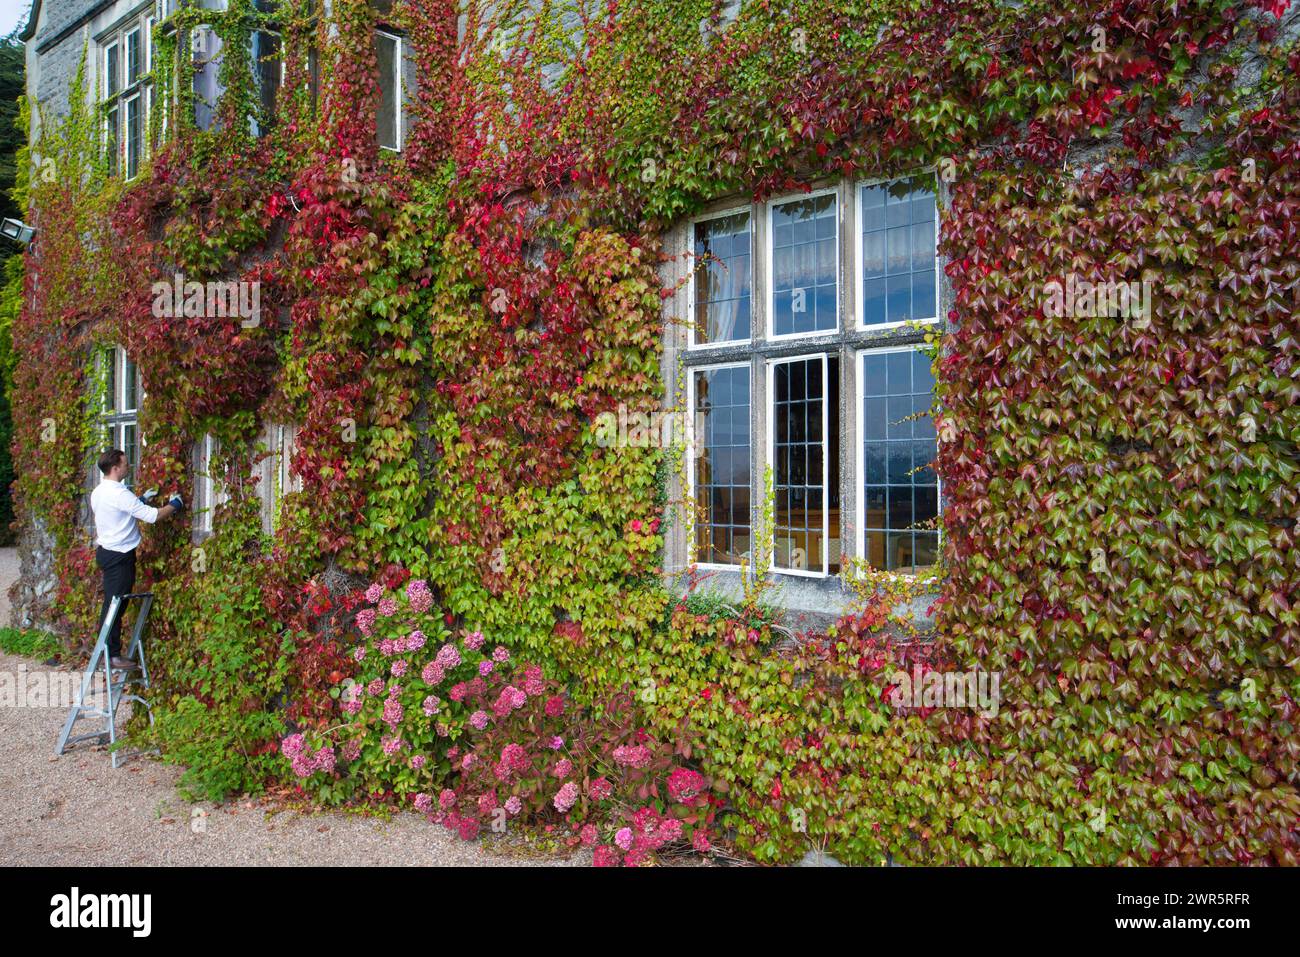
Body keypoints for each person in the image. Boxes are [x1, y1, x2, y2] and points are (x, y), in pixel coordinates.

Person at [89, 449, 183, 669]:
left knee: (112, 603)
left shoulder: (99, 491)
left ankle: (108, 652)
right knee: (115, 605)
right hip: (120, 556)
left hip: (107, 552)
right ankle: (112, 656)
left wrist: (140, 500)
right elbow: (152, 516)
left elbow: (118, 513)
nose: (128, 467)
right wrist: (175, 505)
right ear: (115, 468)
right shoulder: (119, 493)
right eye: (125, 464)